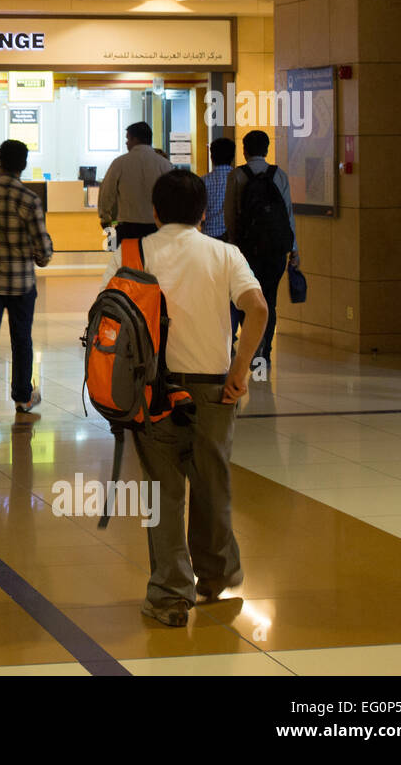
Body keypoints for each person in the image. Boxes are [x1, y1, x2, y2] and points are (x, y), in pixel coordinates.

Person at [101, 170, 268, 627]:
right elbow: (258, 307)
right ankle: (216, 577)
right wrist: (240, 370)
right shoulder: (224, 253)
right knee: (214, 484)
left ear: (155, 212)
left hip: (153, 390)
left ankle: (172, 594)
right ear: (203, 213)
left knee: (163, 491)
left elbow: (108, 319)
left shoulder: (131, 253)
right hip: (215, 388)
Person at [0, 140, 54, 429]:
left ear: (0, 160)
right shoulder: (29, 199)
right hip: (21, 283)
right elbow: (43, 251)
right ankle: (21, 397)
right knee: (22, 340)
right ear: (24, 164)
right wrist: (40, 255)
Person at [224, 130, 298, 368]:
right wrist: (294, 249)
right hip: (276, 251)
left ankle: (253, 347)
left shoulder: (237, 176)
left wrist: (234, 247)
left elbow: (230, 216)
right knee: (270, 300)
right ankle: (265, 351)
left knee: (247, 299)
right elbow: (288, 215)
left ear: (244, 150)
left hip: (247, 250)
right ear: (267, 150)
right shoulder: (280, 176)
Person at [97, 121, 173, 244]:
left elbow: (106, 194)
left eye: (128, 139)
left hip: (127, 228)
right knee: (153, 262)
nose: (126, 143)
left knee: (129, 261)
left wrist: (105, 219)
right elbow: (172, 196)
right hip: (156, 227)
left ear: (135, 139)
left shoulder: (119, 163)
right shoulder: (165, 165)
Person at [202, 137, 236, 240]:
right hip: (232, 236)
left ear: (211, 157)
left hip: (208, 235)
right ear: (233, 157)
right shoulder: (238, 178)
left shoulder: (203, 181)